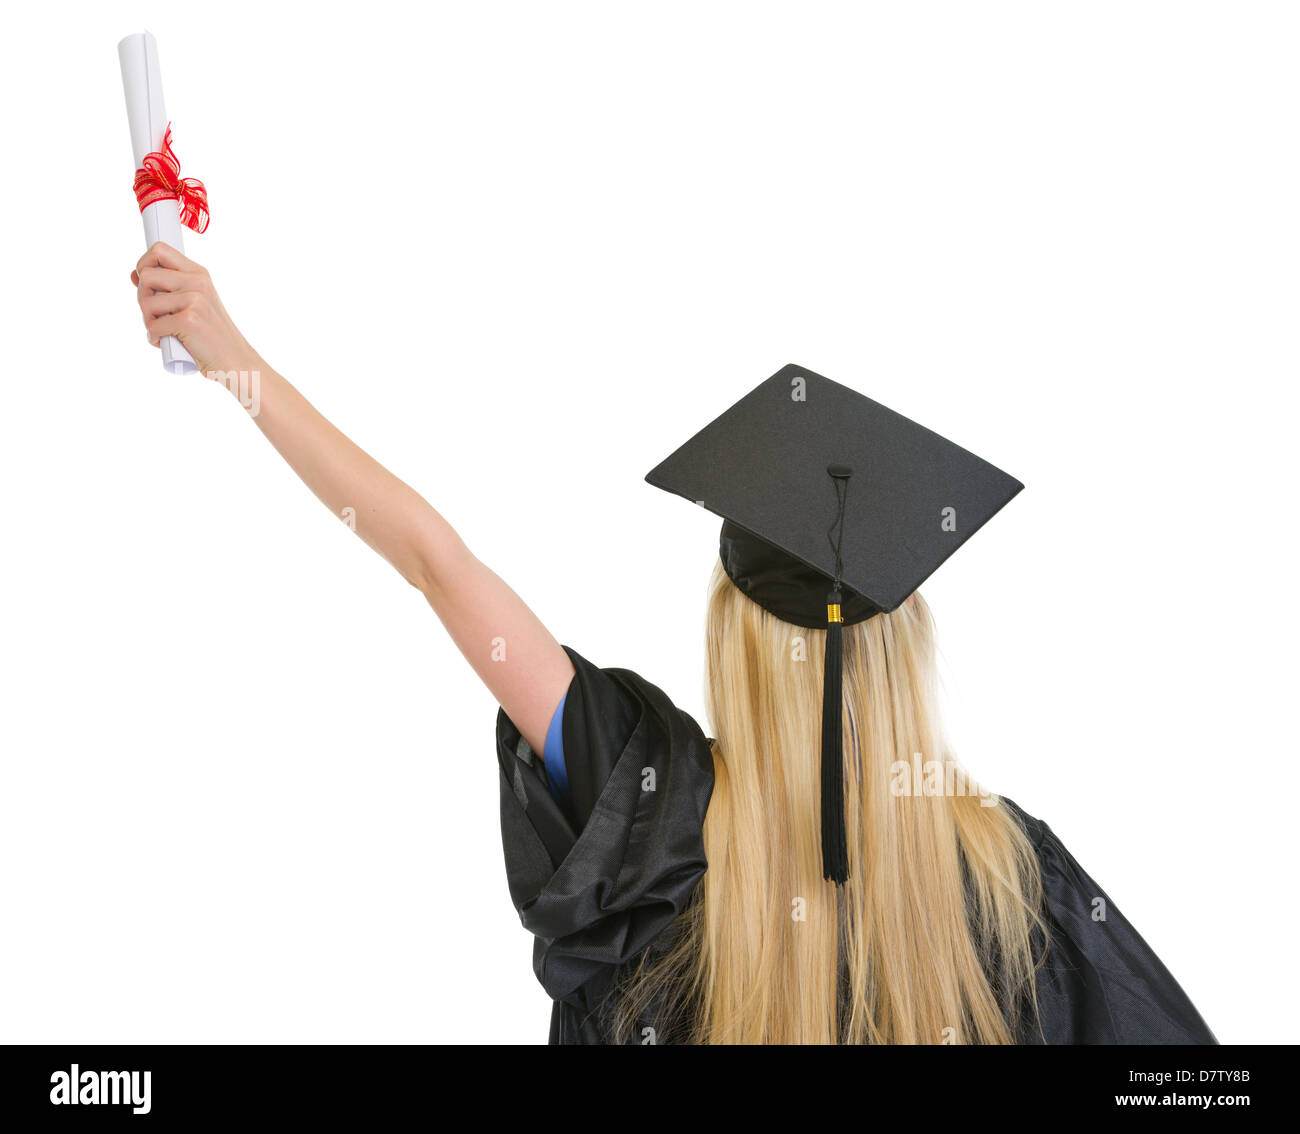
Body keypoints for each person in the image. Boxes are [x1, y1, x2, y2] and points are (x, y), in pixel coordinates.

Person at [130, 242, 1217, 1046]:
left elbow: (434, 562)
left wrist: (234, 359)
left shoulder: (647, 820)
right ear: (903, 646)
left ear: (731, 637)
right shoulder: (1004, 872)